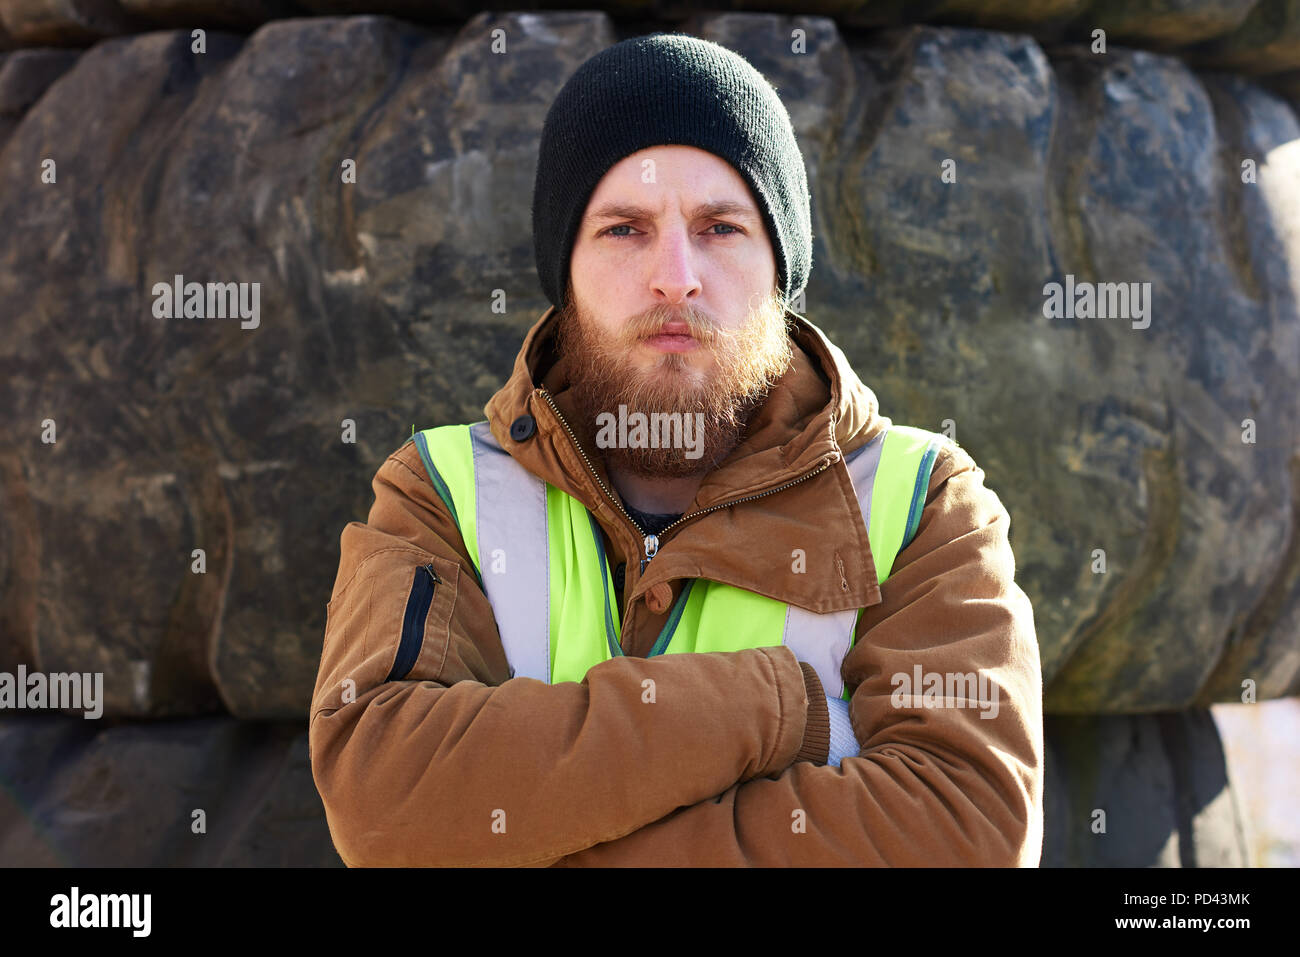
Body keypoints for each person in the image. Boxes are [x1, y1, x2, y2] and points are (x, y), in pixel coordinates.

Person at [309, 32, 1043, 867]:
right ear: (567, 272)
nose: (675, 277)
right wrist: (772, 703)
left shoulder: (922, 504)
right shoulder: (442, 491)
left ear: (780, 270)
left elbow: (964, 834)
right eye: (624, 229)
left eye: (720, 227)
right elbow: (384, 801)